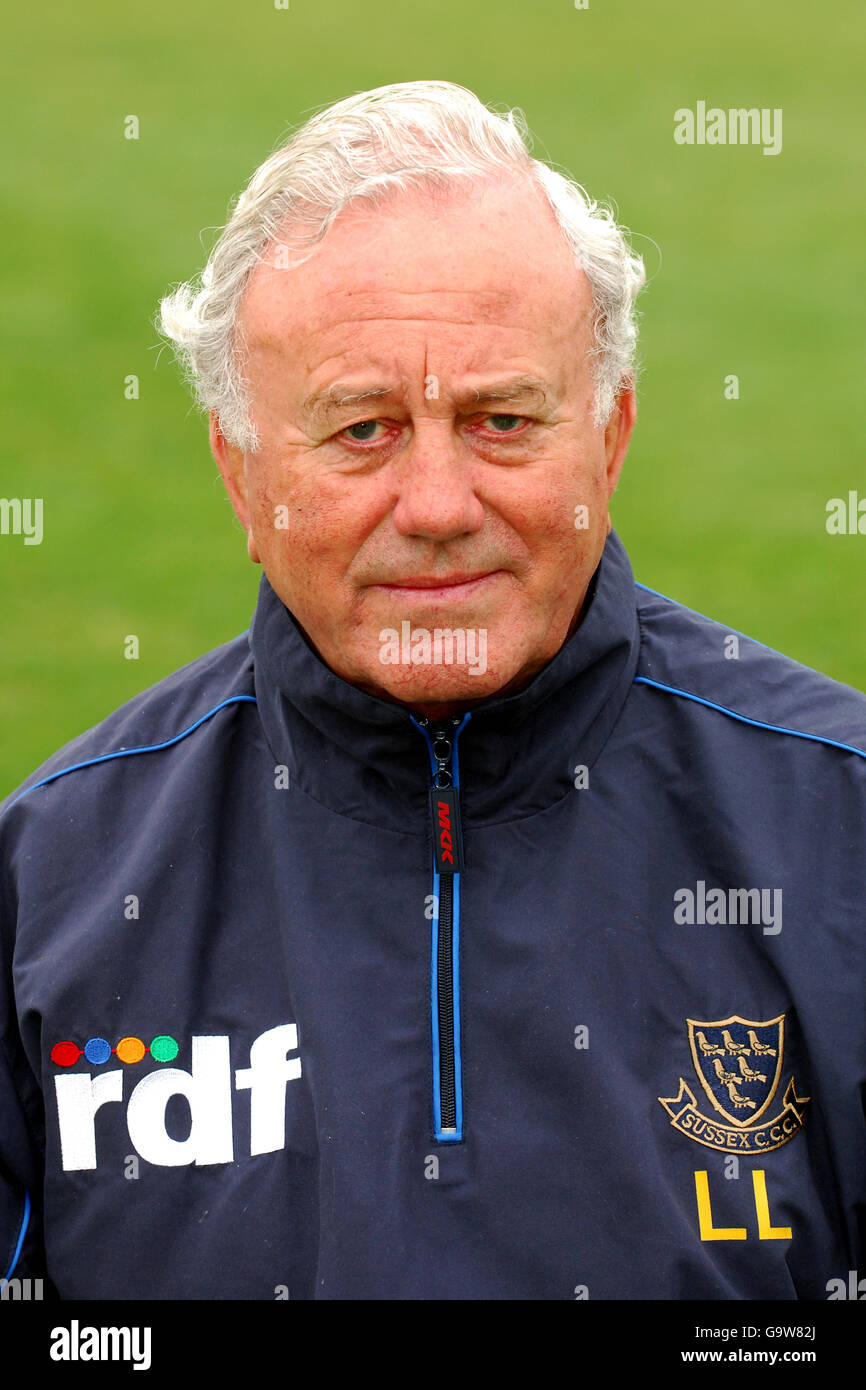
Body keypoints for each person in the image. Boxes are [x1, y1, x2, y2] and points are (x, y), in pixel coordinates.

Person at [1, 80, 864, 1302]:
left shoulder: (840, 837)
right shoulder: (46, 894)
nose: (440, 505)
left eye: (502, 419)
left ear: (608, 439)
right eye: (360, 431)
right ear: (239, 475)